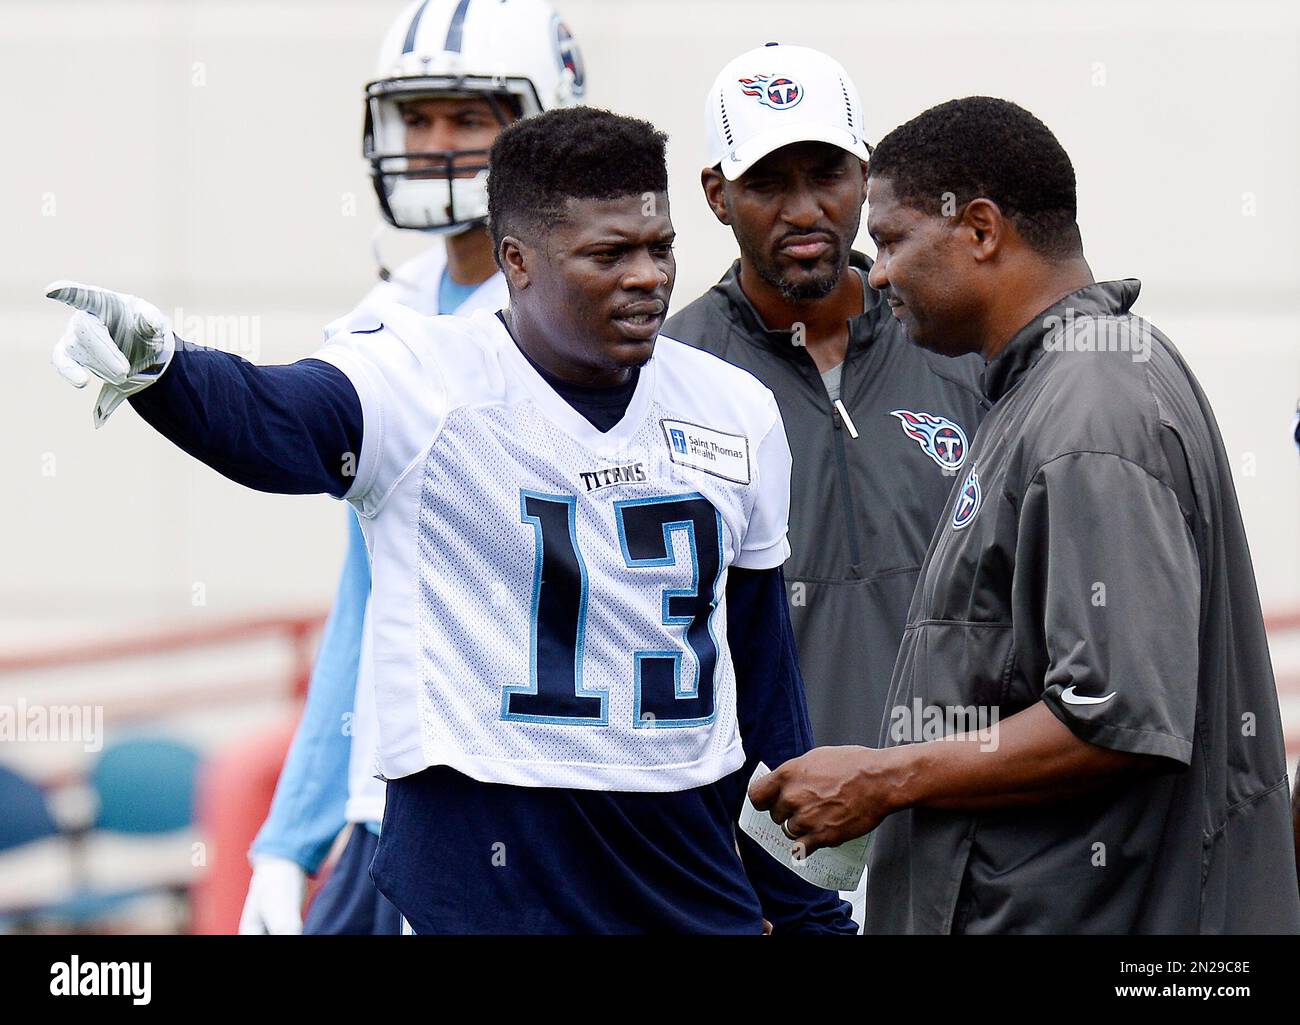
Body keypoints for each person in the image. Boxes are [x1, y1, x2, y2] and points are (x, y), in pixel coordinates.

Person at [46, 106, 854, 935]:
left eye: (661, 248)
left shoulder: (734, 411)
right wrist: (168, 372)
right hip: (486, 881)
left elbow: (764, 692)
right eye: (609, 254)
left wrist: (807, 910)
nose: (648, 276)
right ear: (518, 260)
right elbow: (276, 418)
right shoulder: (421, 379)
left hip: (683, 881)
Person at [751, 96, 1300, 934]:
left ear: (979, 229)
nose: (880, 272)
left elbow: (1117, 718)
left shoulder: (1095, 403)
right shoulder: (1044, 387)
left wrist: (884, 777)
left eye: (893, 239)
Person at [237, 0, 586, 935]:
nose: (435, 143)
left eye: (469, 116)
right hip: (381, 805)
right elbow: (362, 596)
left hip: (531, 806)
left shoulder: (586, 322)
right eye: (418, 116)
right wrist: (289, 838)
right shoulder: (379, 317)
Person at [664, 42, 984, 929]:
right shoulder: (666, 376)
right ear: (717, 194)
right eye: (769, 181)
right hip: (763, 874)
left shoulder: (958, 344)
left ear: (865, 172)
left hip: (964, 851)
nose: (805, 211)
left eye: (828, 174)